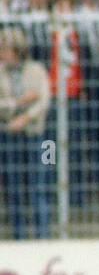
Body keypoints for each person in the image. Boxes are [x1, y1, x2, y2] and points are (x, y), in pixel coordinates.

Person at [0, 28, 52, 239]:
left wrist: (26, 117)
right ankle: (18, 237)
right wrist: (19, 102)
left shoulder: (37, 70)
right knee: (14, 188)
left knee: (39, 185)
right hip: (9, 135)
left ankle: (43, 236)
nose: (3, 53)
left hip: (39, 135)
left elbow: (44, 99)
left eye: (6, 49)